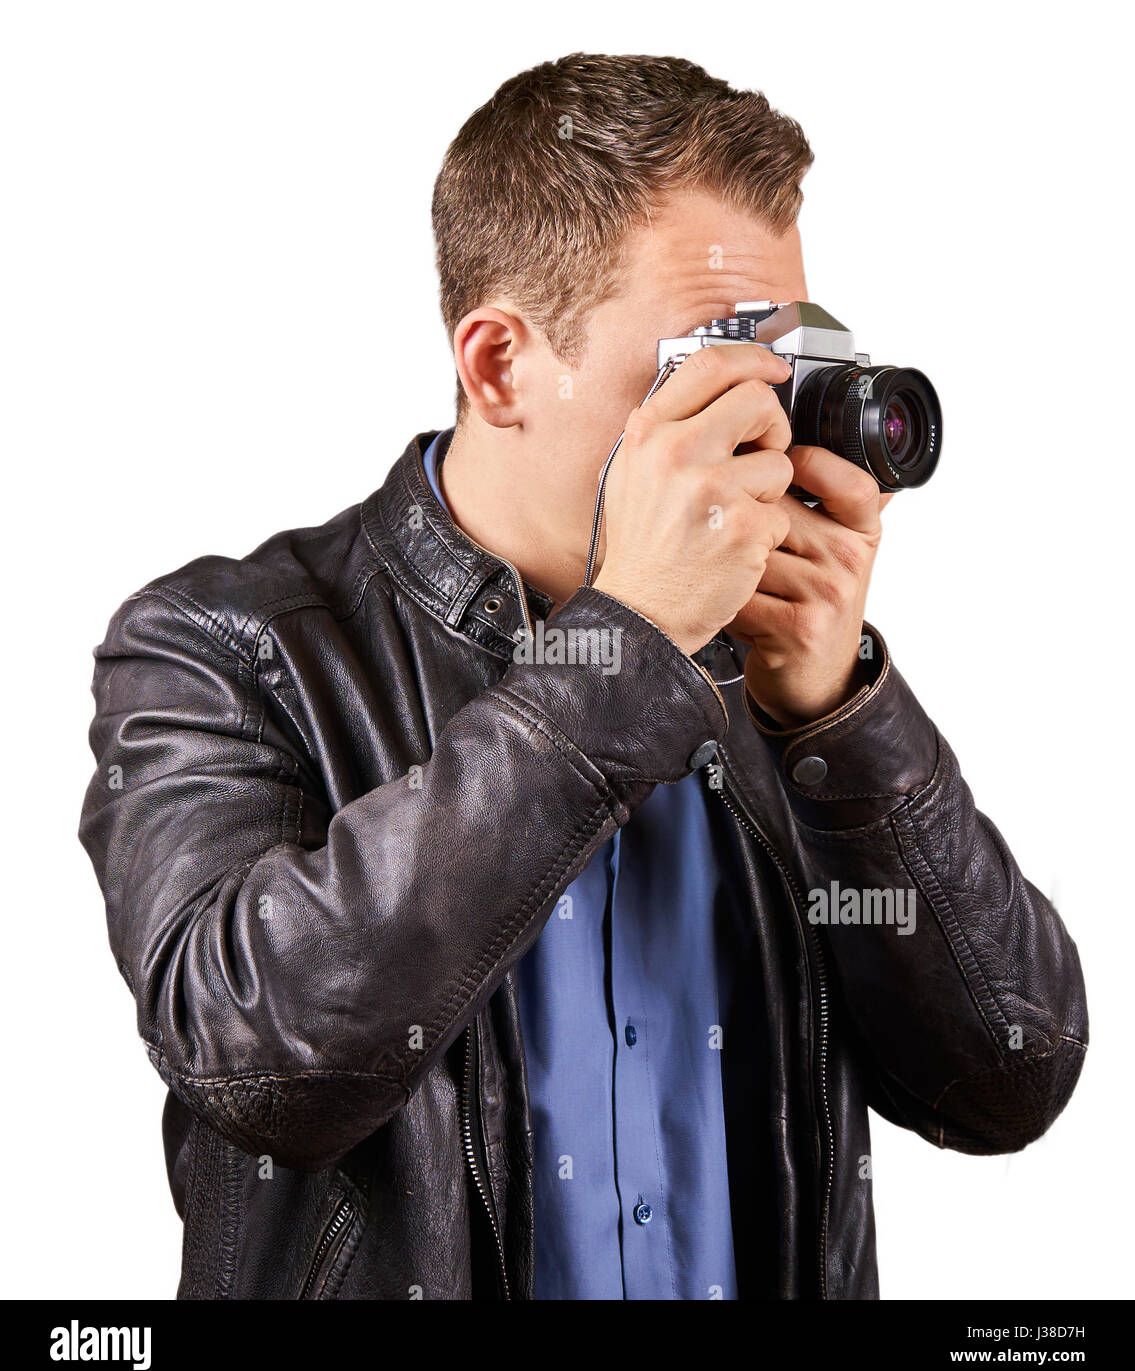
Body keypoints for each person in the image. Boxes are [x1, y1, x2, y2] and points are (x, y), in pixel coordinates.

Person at [79, 53, 1087, 1300]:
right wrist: (621, 652)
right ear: (500, 364)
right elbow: (261, 1059)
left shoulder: (768, 676)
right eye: (702, 368)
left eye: (782, 365)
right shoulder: (230, 645)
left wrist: (839, 718)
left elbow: (1006, 1079)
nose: (756, 426)